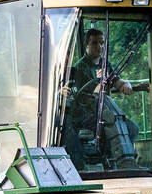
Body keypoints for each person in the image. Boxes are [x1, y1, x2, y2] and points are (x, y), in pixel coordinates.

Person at [59, 28, 143, 169]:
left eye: (102, 43)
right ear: (86, 45)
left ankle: (118, 162)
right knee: (108, 126)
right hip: (86, 114)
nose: (99, 46)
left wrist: (125, 85)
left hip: (103, 112)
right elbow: (87, 95)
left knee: (132, 128)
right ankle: (118, 163)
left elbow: (117, 80)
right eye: (94, 43)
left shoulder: (105, 64)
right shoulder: (80, 68)